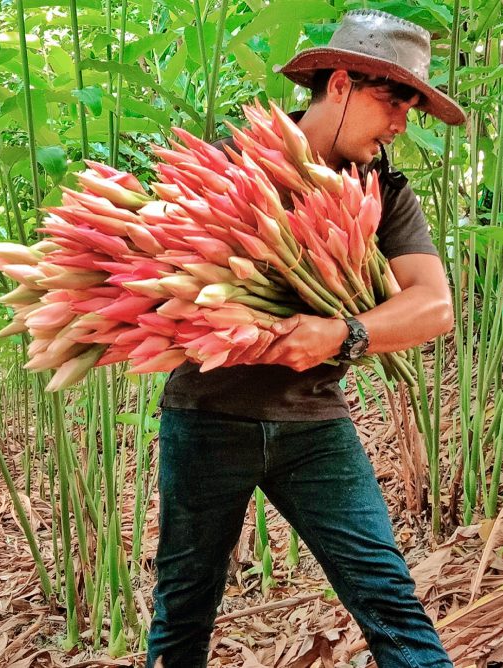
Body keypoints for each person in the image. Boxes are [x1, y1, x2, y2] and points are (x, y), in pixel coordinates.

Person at [146, 10, 465, 668]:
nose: (403, 122)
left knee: (390, 599)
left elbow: (434, 308)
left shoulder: (384, 192)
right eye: (393, 99)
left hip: (314, 427)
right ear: (341, 85)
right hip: (207, 420)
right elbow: (159, 285)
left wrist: (340, 334)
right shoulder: (232, 167)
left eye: (413, 105)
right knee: (183, 612)